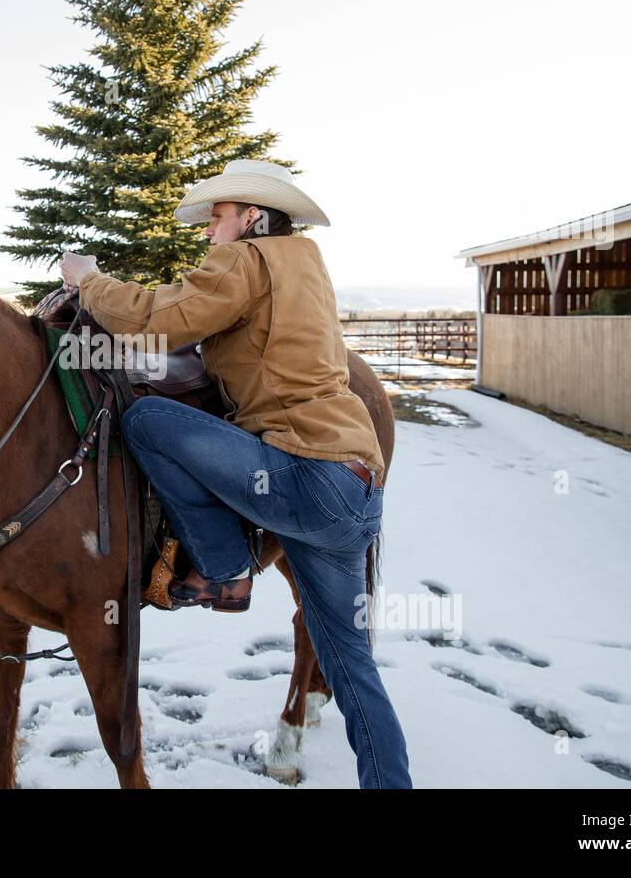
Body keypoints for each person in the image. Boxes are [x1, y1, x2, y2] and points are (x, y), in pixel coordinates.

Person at [59, 159, 412, 789]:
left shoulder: (246, 261)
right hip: (354, 483)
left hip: (300, 472)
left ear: (251, 215)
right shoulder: (306, 263)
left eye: (217, 216)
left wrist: (89, 281)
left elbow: (155, 320)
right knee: (353, 668)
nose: (208, 231)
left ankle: (223, 567)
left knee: (149, 424)